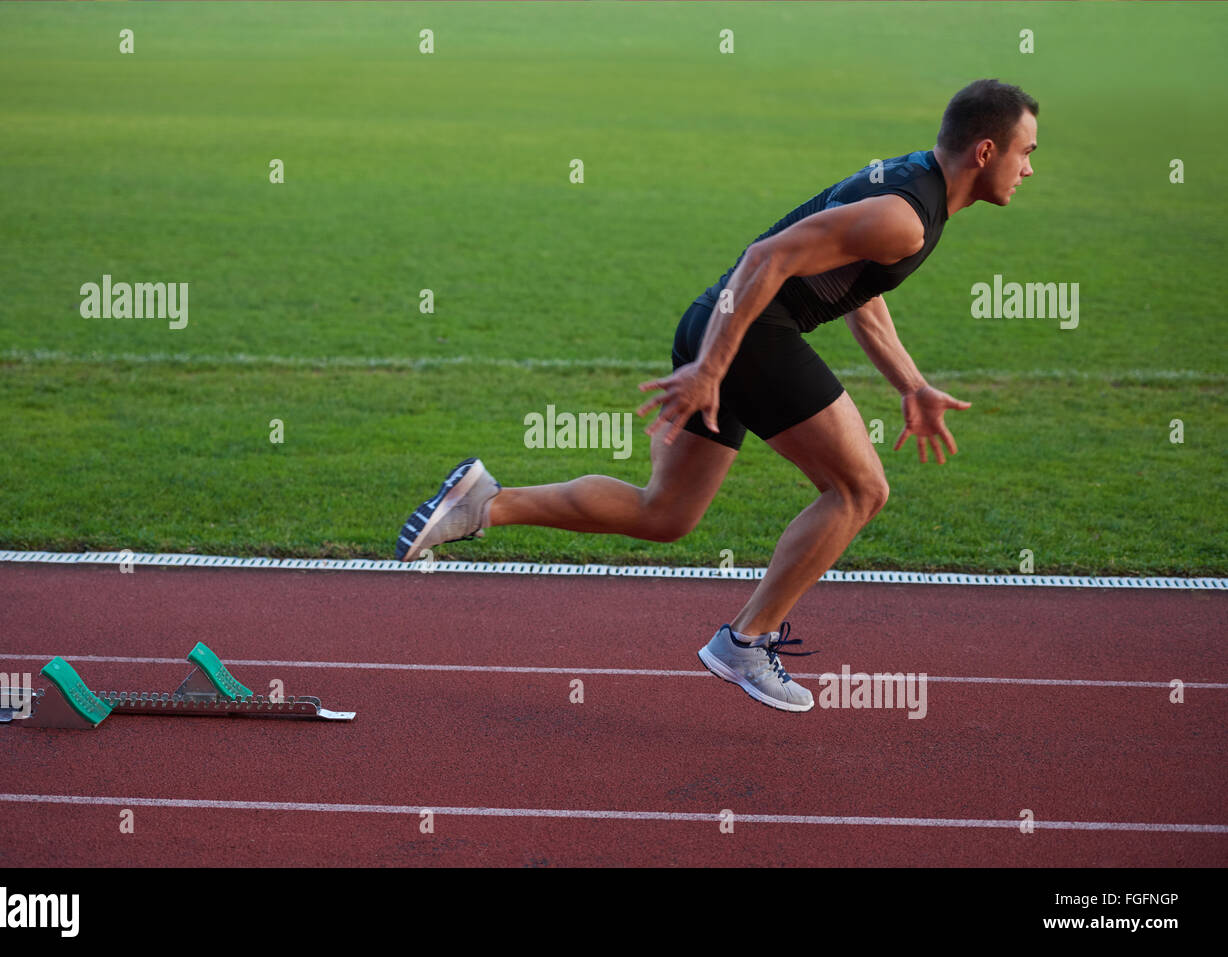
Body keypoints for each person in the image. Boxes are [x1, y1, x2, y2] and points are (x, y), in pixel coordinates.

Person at [395, 79, 1038, 712]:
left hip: (718, 324)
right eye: (1026, 152)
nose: (1029, 169)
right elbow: (765, 258)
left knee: (664, 513)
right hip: (749, 337)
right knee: (859, 490)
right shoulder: (905, 217)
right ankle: (745, 643)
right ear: (985, 152)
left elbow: (858, 292)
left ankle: (485, 504)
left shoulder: (913, 193)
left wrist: (912, 385)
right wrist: (712, 367)